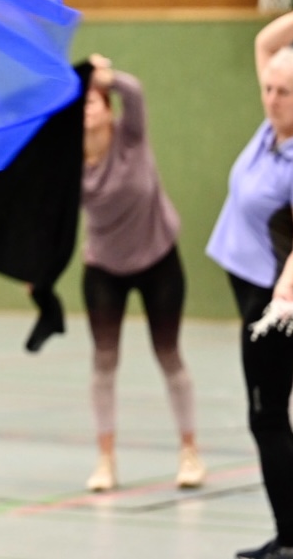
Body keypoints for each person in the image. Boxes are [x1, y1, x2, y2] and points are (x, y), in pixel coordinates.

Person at [207, 0, 293, 559]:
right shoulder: (275, 131)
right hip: (255, 284)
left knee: (268, 418)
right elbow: (266, 43)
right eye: (268, 88)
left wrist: (285, 289)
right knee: (267, 417)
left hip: (277, 299)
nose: (270, 98)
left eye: (283, 92)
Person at [79, 54, 203, 492]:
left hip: (158, 258)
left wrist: (105, 76)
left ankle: (189, 451)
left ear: (107, 107)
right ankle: (105, 459)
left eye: (94, 100)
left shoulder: (130, 137)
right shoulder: (70, 162)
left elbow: (134, 92)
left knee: (168, 354)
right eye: (82, 101)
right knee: (103, 362)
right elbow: (46, 217)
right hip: (104, 266)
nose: (88, 107)